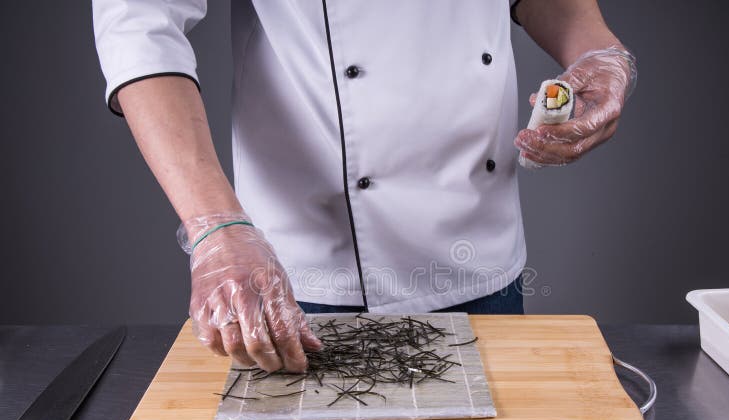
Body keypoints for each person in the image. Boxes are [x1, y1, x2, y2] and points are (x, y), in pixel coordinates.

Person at [93, 0, 636, 373]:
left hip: (483, 252)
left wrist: (597, 52)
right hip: (304, 281)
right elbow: (138, 24)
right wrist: (216, 227)